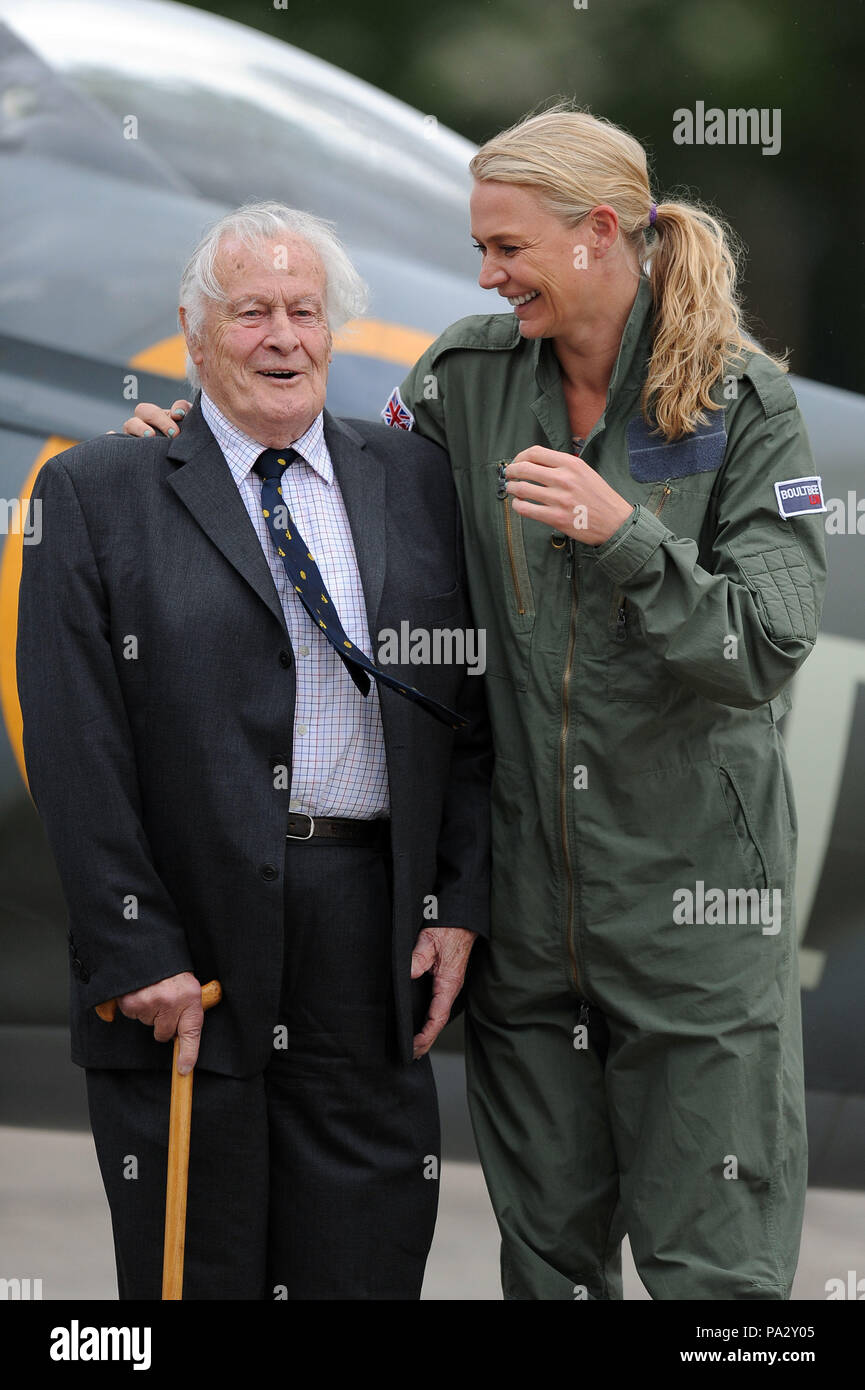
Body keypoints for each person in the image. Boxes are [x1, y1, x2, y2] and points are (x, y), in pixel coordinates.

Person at [125, 107, 827, 1301]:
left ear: (598, 233)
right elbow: (356, 496)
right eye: (480, 252)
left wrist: (622, 541)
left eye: (509, 248)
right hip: (527, 921)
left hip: (691, 921)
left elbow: (768, 639)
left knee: (717, 1277)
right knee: (545, 1263)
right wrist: (206, 452)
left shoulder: (740, 404)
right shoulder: (466, 374)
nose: (490, 275)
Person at [16, 202, 491, 1301]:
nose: (282, 337)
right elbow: (77, 745)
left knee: (363, 1263)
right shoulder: (96, 493)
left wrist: (457, 901)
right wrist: (134, 948)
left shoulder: (419, 482)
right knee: (199, 1267)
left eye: (304, 311)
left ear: (334, 330)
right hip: (189, 936)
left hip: (367, 936)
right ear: (195, 330)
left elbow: (466, 720)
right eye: (251, 313)